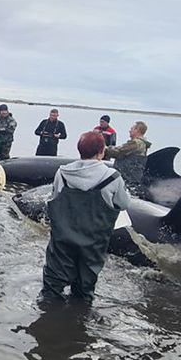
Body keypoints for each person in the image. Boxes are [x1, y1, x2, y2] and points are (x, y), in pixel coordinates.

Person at [41, 131, 131, 305]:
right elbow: (124, 204)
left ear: (80, 150)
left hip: (62, 239)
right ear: (101, 151)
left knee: (52, 286)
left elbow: (54, 198)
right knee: (84, 290)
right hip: (93, 242)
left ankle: (46, 320)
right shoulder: (113, 177)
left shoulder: (62, 173)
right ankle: (78, 325)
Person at [104, 121, 151, 189]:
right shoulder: (142, 144)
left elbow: (118, 152)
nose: (129, 131)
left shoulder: (135, 143)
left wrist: (103, 149)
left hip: (126, 177)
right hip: (132, 176)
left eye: (132, 129)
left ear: (137, 130)